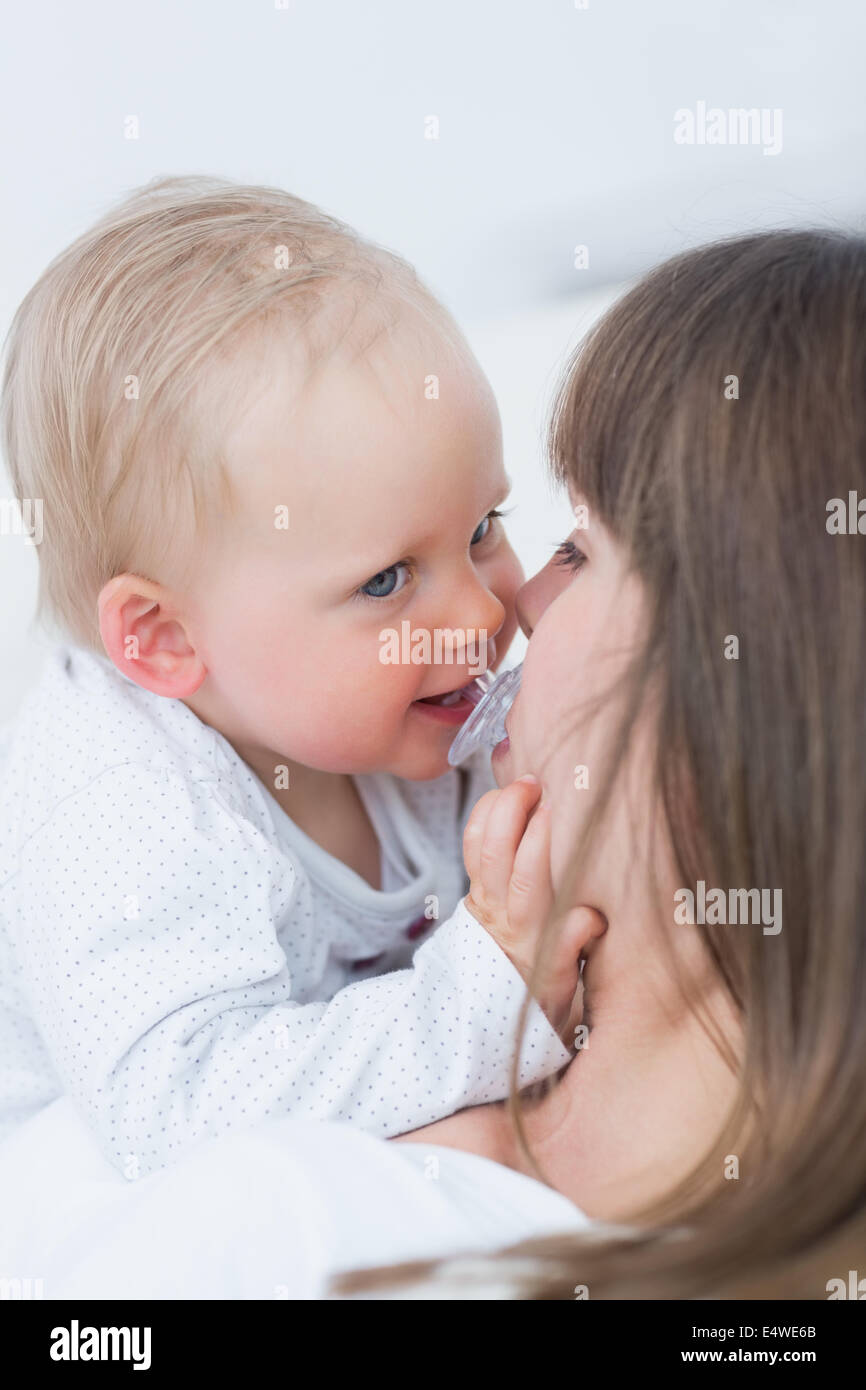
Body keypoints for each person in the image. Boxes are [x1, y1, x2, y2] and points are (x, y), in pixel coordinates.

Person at [0, 174, 578, 1180]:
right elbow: (178, 1115)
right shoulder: (122, 803)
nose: (483, 612)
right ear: (166, 638)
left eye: (482, 527)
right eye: (388, 579)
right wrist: (488, 995)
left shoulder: (404, 696)